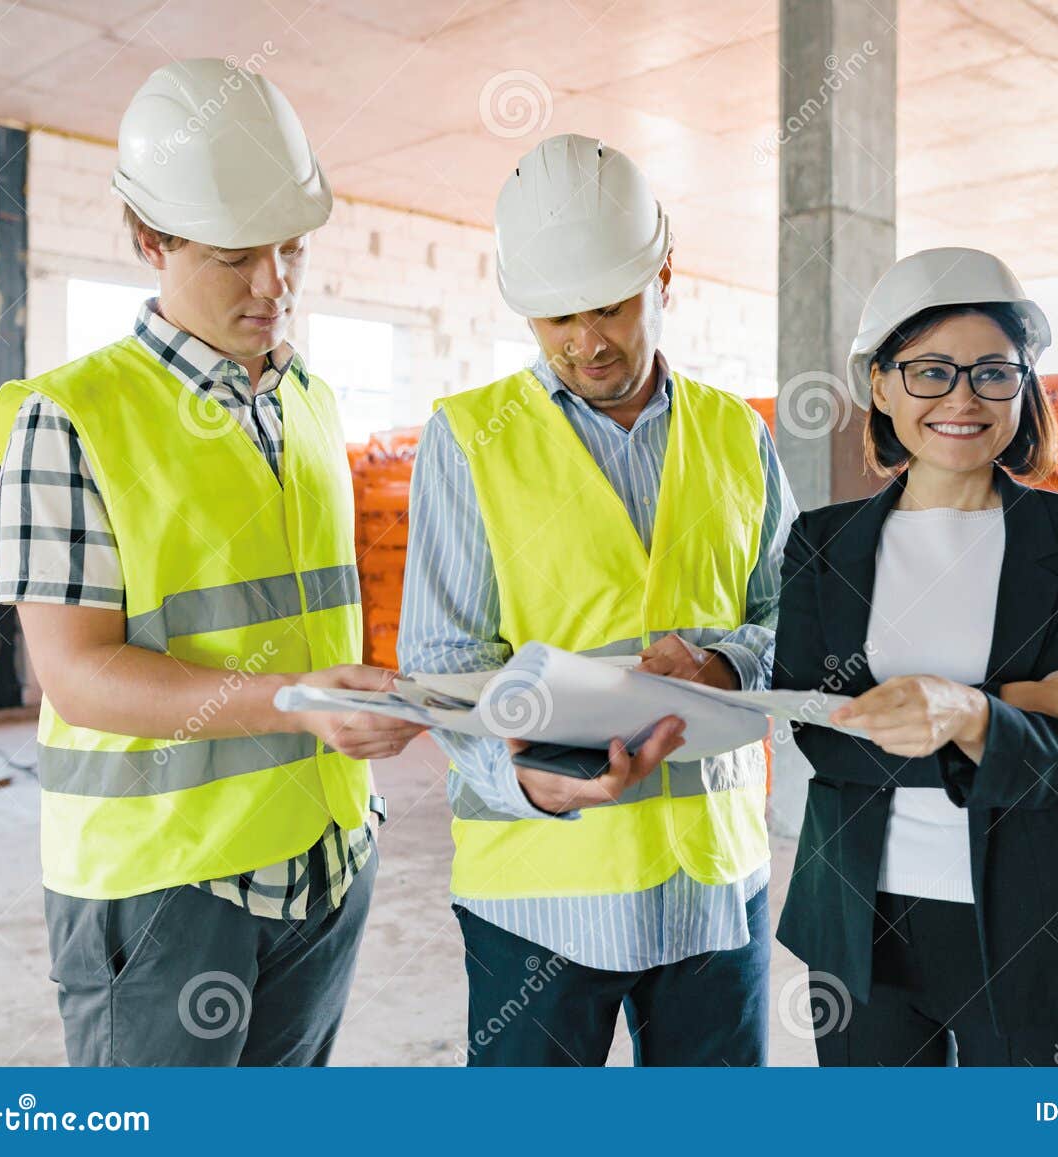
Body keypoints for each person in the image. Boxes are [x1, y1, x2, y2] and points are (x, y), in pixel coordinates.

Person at [0, 58, 423, 1066]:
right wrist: (296, 698)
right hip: (166, 893)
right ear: (150, 237)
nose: (274, 283)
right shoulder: (73, 416)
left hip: (322, 861)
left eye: (290, 248)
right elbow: (78, 674)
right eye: (236, 254)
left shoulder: (309, 401)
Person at [398, 133, 798, 1066]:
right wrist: (522, 780)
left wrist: (723, 662)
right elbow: (444, 668)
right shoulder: (468, 439)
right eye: (555, 320)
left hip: (712, 884)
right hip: (543, 889)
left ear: (666, 273)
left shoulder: (739, 436)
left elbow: (797, 624)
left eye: (610, 308)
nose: (588, 343)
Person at [773, 246, 1058, 1067]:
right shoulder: (822, 545)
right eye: (929, 371)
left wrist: (968, 710)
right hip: (861, 926)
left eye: (992, 372)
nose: (963, 398)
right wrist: (1017, 704)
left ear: (1026, 384)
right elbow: (820, 732)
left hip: (1037, 919)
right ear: (879, 384)